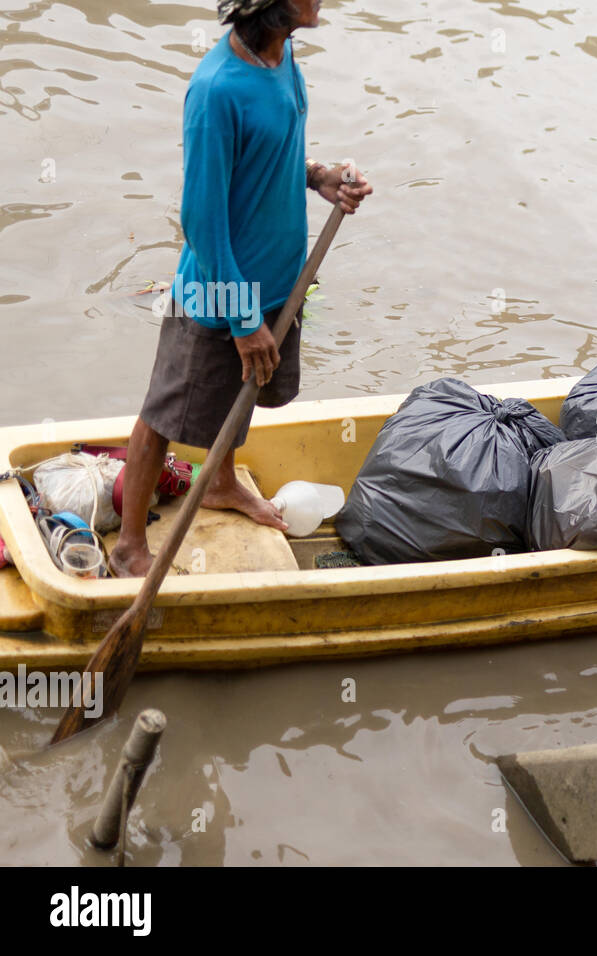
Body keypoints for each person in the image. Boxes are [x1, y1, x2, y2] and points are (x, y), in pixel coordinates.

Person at [110, 0, 372, 578]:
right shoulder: (215, 91)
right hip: (218, 295)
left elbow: (269, 153)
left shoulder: (282, 55)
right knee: (165, 412)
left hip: (280, 279)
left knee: (244, 390)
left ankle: (220, 482)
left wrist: (319, 177)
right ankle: (130, 545)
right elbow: (202, 220)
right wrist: (242, 318)